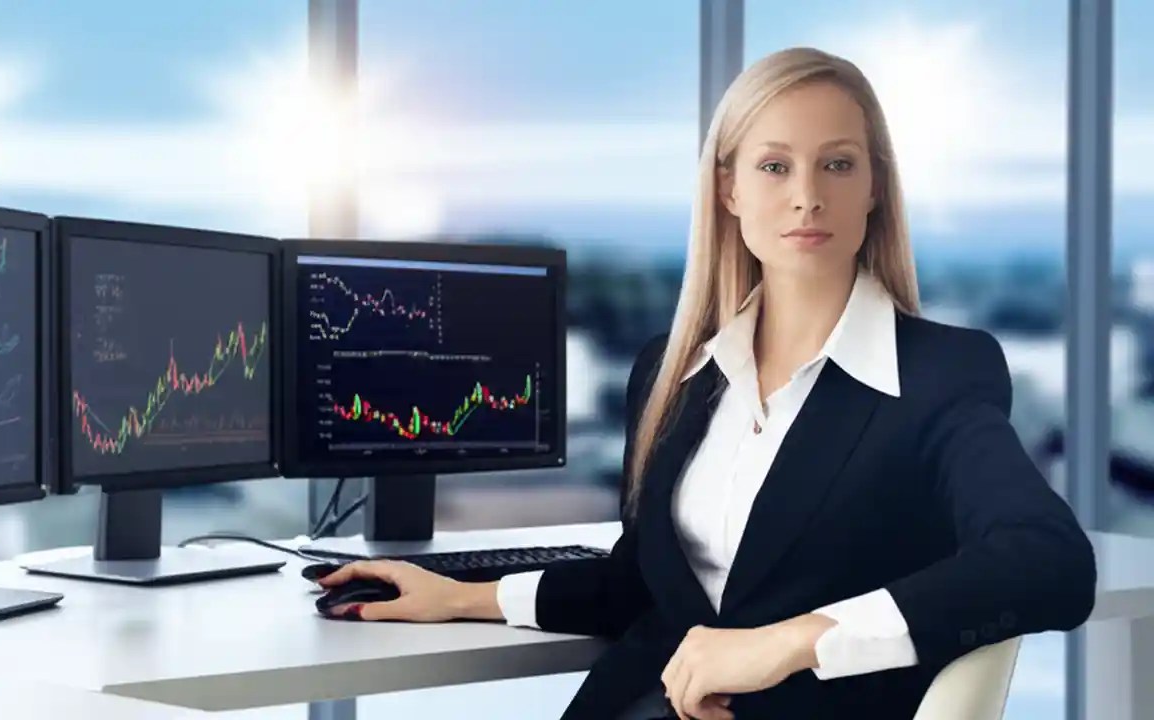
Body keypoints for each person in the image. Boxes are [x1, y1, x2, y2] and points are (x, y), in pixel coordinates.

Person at [313, 46, 1098, 720]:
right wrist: (459, 596)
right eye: (773, 165)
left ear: (875, 188)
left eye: (837, 163)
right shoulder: (671, 373)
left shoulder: (939, 373)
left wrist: (793, 643)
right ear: (728, 191)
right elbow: (647, 584)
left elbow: (1048, 560)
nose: (806, 194)